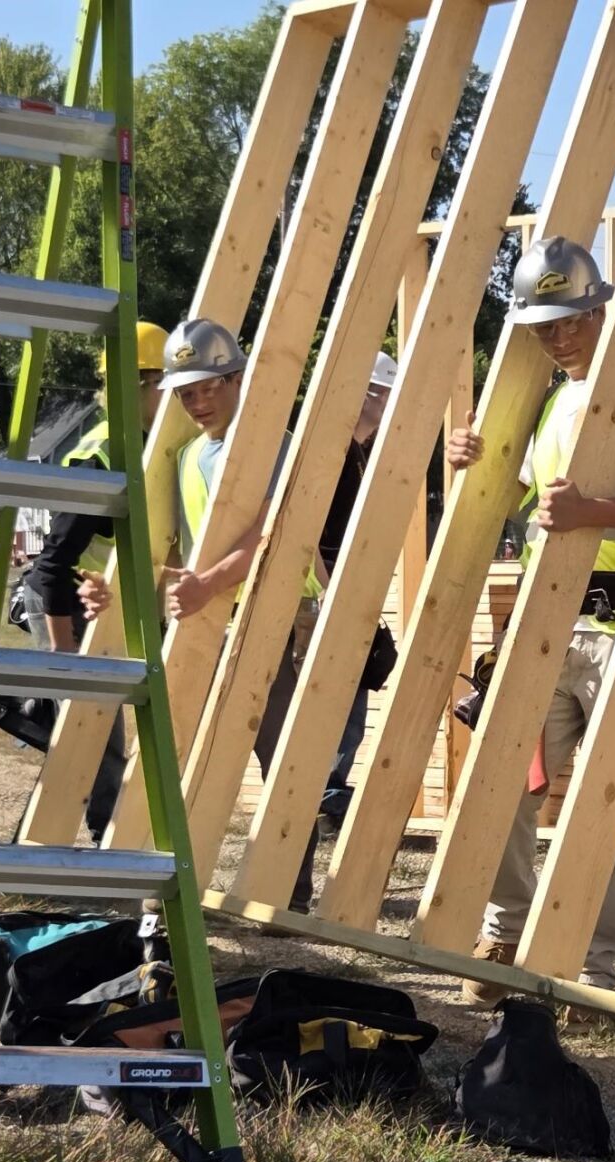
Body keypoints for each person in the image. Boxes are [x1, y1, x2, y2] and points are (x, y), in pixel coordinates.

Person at [443, 236, 615, 1009]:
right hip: (550, 625)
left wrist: (594, 513)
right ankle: (507, 927)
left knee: (612, 802)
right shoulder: (548, 406)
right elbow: (508, 499)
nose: (562, 335)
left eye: (573, 317)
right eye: (548, 324)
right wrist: (469, 461)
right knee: (511, 777)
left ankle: (594, 964)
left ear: (601, 308)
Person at [79, 319, 386, 911]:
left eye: (209, 386)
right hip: (210, 620)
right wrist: (116, 593)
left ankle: (286, 897)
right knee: (189, 758)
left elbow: (276, 529)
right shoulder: (188, 454)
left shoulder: (270, 441)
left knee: (283, 760)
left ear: (237, 378)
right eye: (186, 391)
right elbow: (181, 556)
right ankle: (175, 885)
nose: (197, 401)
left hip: (277, 621)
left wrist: (207, 586)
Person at [20, 320, 168, 844]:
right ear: (141, 385)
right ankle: (103, 839)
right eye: (168, 385)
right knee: (92, 729)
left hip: (108, 600)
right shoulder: (100, 455)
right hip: (65, 601)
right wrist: (66, 663)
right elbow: (53, 568)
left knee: (101, 728)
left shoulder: (154, 442)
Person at [314, 351, 397, 835]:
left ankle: (328, 797)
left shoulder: (359, 453)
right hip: (329, 594)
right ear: (371, 395)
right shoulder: (337, 454)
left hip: (346, 591)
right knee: (340, 707)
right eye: (386, 393)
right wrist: (332, 594)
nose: (390, 404)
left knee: (354, 702)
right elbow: (311, 536)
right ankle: (323, 796)